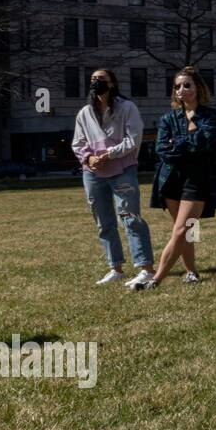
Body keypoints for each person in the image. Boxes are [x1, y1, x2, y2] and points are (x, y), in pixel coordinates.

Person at [132, 66, 216, 290]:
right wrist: (192, 140)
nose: (181, 90)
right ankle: (191, 271)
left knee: (182, 229)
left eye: (187, 85)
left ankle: (155, 279)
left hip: (199, 178)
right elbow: (163, 150)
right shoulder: (168, 119)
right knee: (187, 227)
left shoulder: (211, 115)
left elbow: (212, 143)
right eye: (177, 87)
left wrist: (181, 143)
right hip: (172, 178)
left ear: (198, 88)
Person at [72, 68, 155, 289]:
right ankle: (115, 268)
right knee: (103, 222)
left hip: (122, 169)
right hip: (93, 173)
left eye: (101, 79)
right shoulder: (84, 113)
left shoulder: (127, 108)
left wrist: (109, 154)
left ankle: (145, 268)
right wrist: (89, 158)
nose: (96, 83)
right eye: (92, 79)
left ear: (112, 84)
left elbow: (134, 139)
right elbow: (78, 143)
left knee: (130, 217)